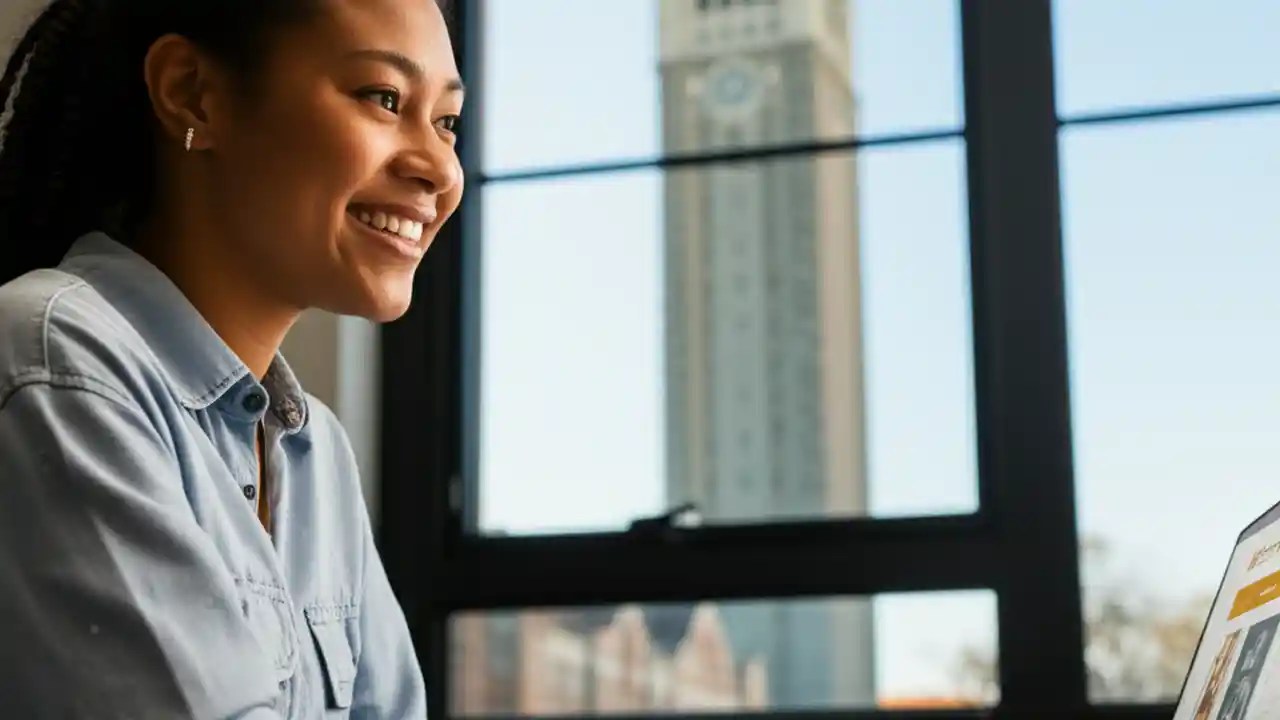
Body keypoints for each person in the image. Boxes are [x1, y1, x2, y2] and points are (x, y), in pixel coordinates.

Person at [0, 0, 463, 717]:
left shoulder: (318, 455)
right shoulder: (52, 360)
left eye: (446, 122)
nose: (438, 167)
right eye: (383, 97)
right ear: (193, 92)